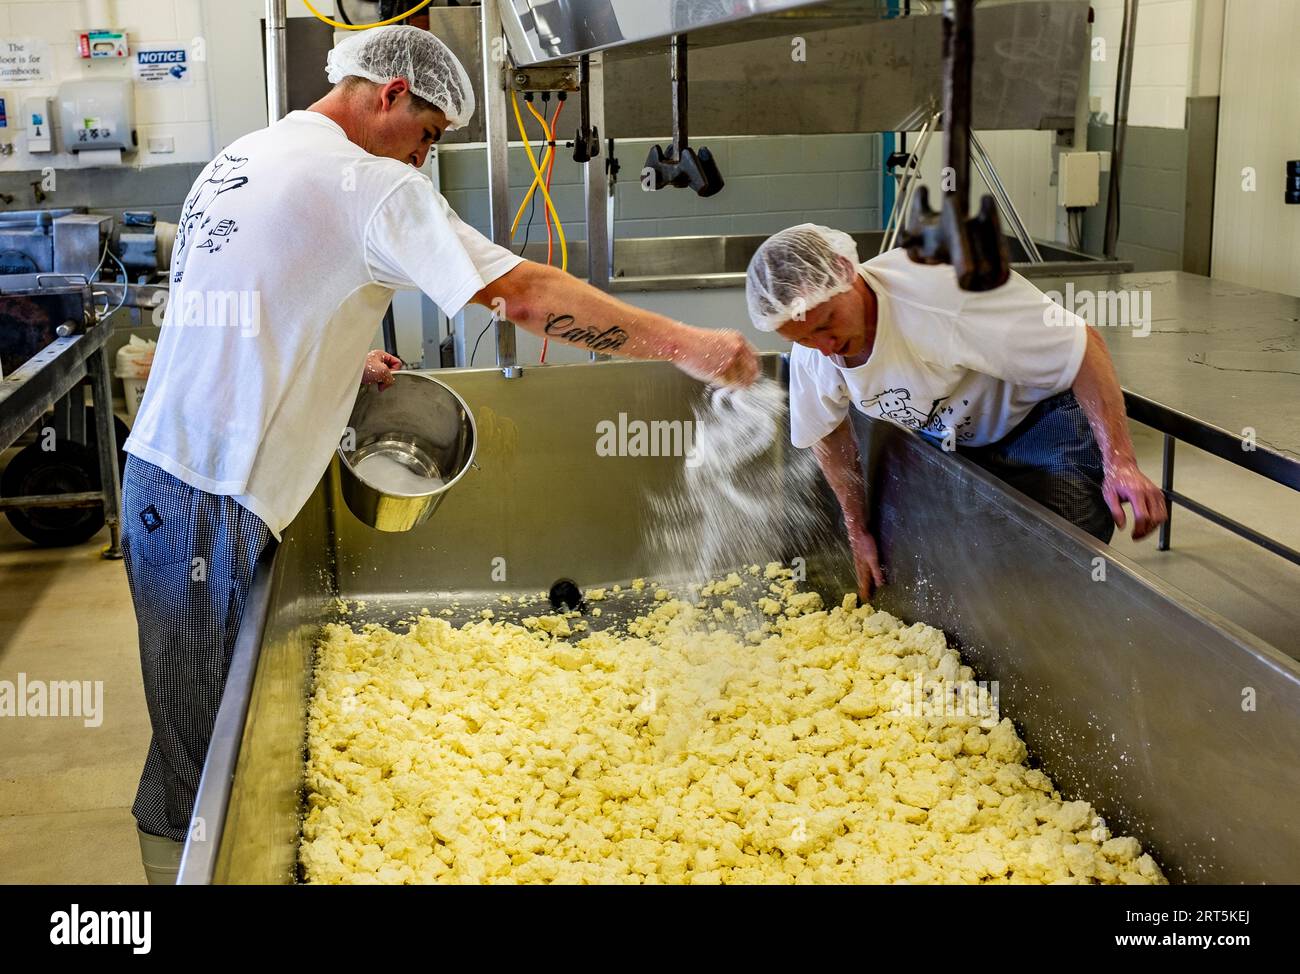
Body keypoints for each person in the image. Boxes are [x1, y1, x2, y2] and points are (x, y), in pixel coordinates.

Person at [120, 24, 758, 884]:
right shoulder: (375, 186)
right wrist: (691, 347)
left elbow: (258, 303)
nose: (423, 160)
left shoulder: (248, 155)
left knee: (192, 719)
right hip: (211, 495)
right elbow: (524, 298)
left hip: (167, 474)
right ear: (390, 97)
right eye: (427, 136)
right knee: (208, 761)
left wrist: (344, 356)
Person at [744, 223, 1167, 601]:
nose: (825, 346)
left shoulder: (946, 294)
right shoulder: (813, 353)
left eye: (827, 324)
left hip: (1042, 418)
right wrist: (858, 531)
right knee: (975, 565)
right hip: (951, 431)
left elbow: (1083, 347)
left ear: (846, 272)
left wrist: (1121, 463)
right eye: (802, 338)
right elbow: (828, 433)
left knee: (1065, 564)